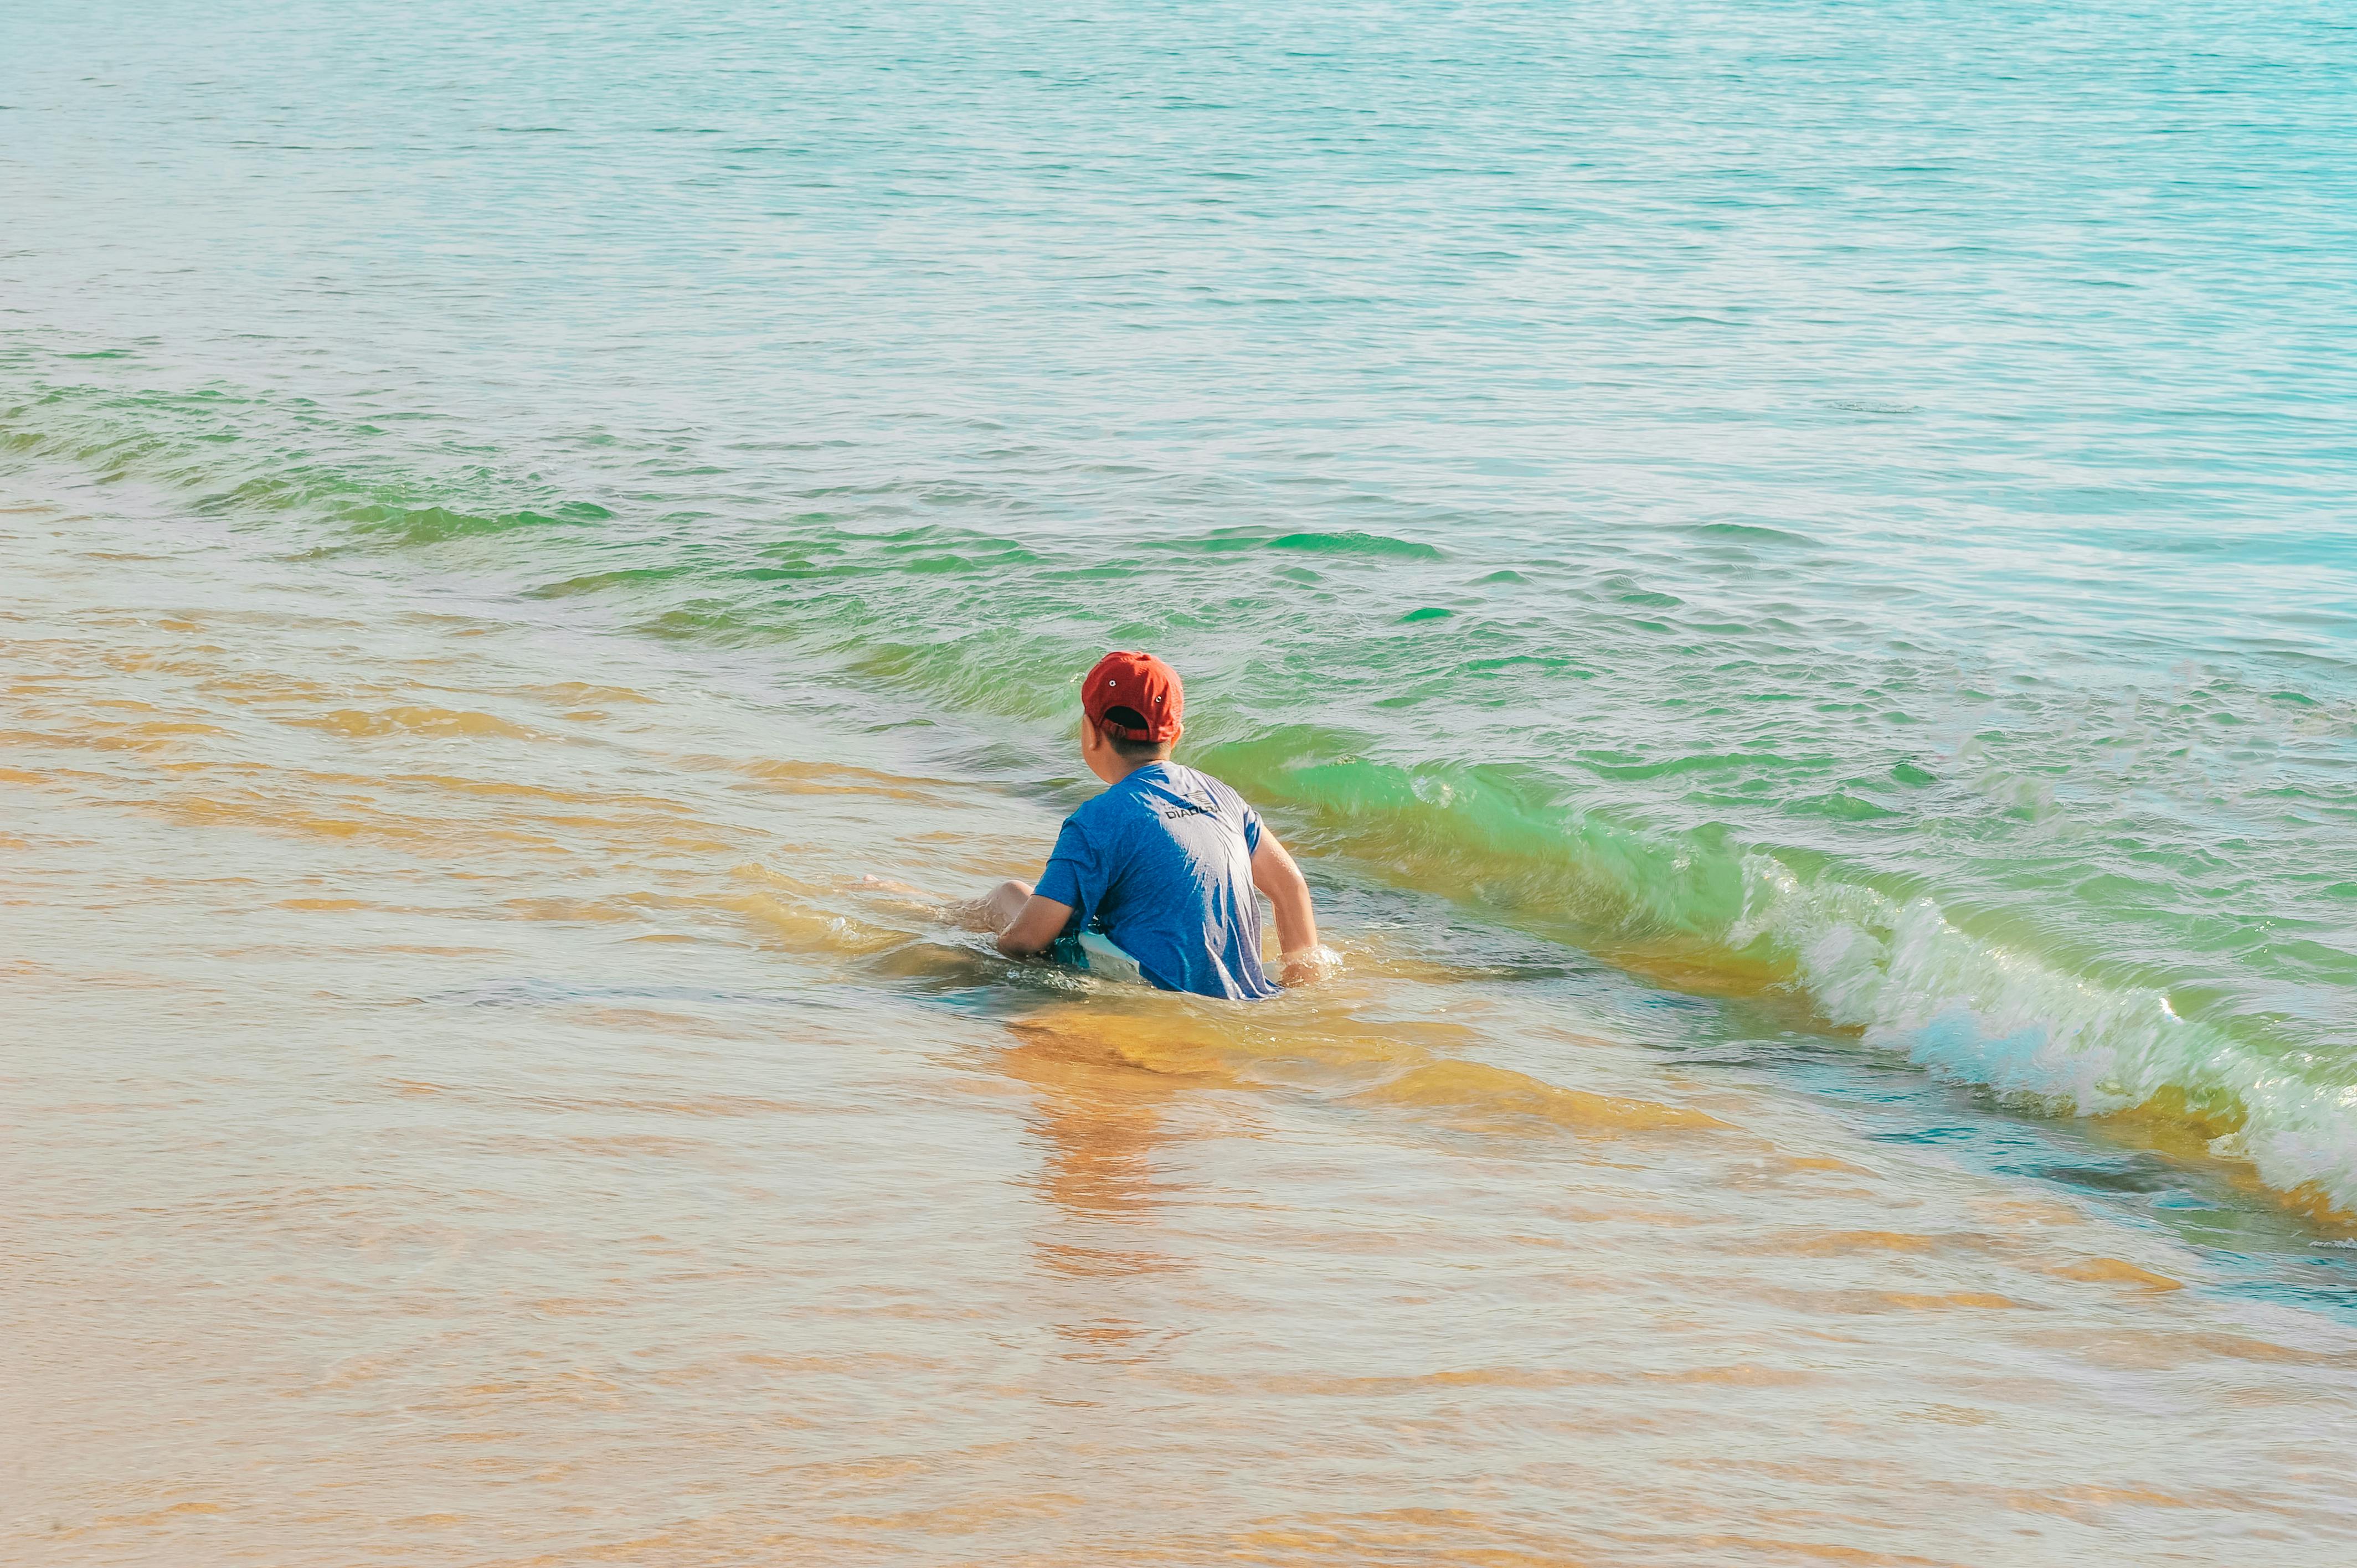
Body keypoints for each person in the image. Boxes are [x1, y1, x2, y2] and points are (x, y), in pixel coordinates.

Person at [963, 650, 1321, 999]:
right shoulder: (1223, 797)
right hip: (1251, 996)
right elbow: (1291, 888)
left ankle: (936, 919)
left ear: (1090, 732)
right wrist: (1299, 989)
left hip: (1155, 992)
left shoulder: (1098, 819)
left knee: (1008, 896)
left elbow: (1029, 938)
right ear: (1176, 736)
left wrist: (988, 953)